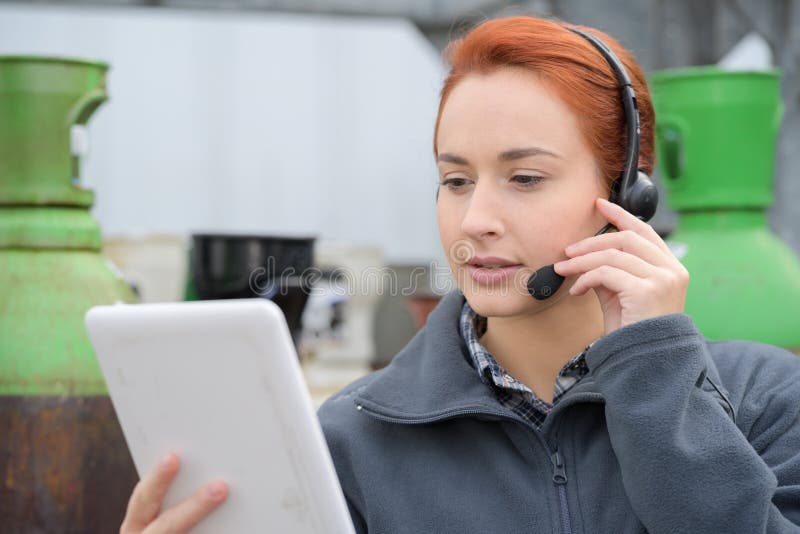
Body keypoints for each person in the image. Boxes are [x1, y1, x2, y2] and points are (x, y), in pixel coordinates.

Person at [119, 15, 800, 534]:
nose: (475, 219)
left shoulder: (764, 403)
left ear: (629, 197)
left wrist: (659, 387)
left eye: (524, 177)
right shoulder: (353, 437)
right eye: (455, 179)